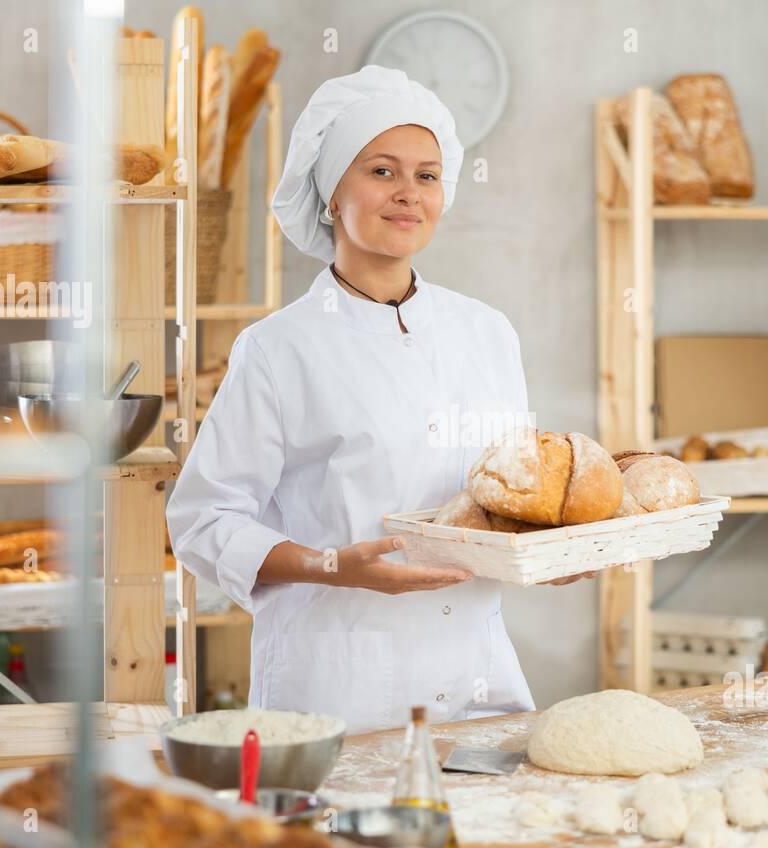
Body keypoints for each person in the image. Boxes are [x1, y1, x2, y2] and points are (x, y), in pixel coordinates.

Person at [167, 66, 588, 735]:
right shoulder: (278, 349)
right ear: (332, 192)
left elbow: (507, 501)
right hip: (337, 691)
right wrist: (332, 566)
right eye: (382, 171)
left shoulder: (488, 332)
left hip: (477, 687)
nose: (408, 195)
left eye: (427, 175)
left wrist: (557, 555)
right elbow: (201, 521)